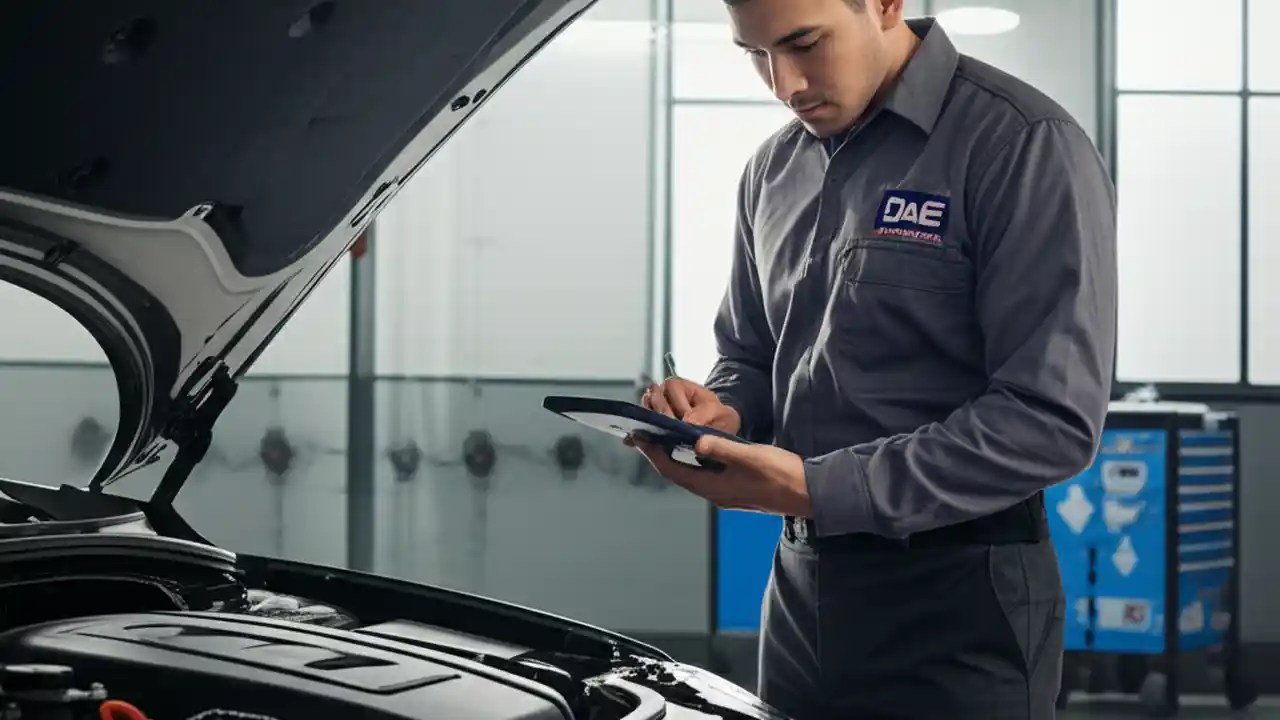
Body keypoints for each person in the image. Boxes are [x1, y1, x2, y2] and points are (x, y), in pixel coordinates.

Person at [629, 0, 1117, 717]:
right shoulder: (773, 170)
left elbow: (1050, 421)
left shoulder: (1020, 145)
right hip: (800, 591)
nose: (785, 85)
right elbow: (751, 355)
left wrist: (818, 488)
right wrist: (721, 409)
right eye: (756, 54)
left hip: (959, 596)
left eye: (804, 43)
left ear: (886, 4)